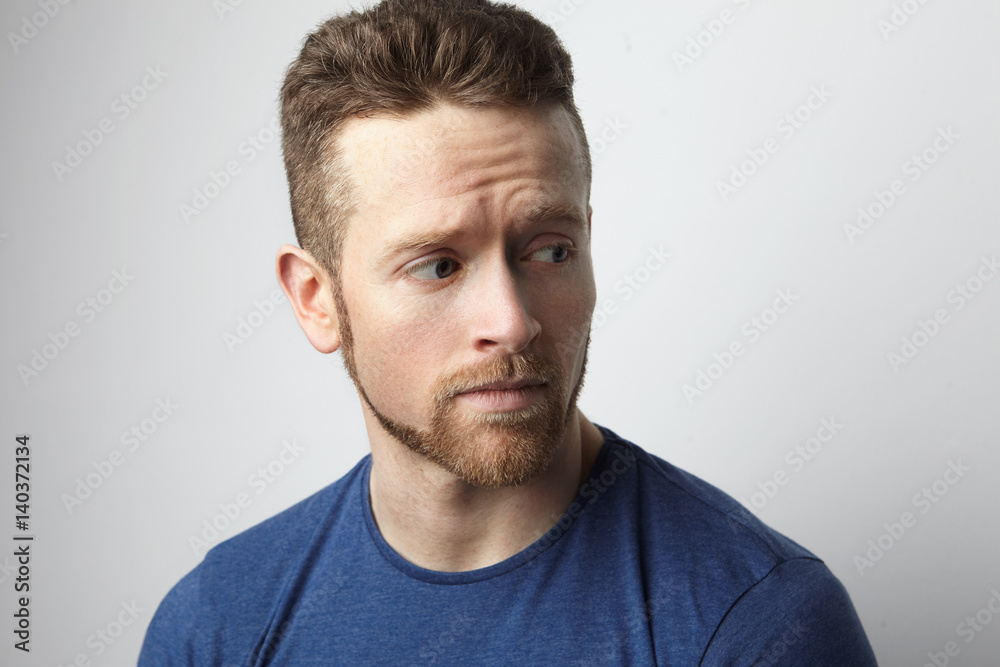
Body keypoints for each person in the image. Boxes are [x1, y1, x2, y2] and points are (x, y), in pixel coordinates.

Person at [139, 0, 877, 664]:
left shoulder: (755, 624)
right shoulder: (218, 628)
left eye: (550, 250)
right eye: (438, 265)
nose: (512, 321)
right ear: (316, 299)